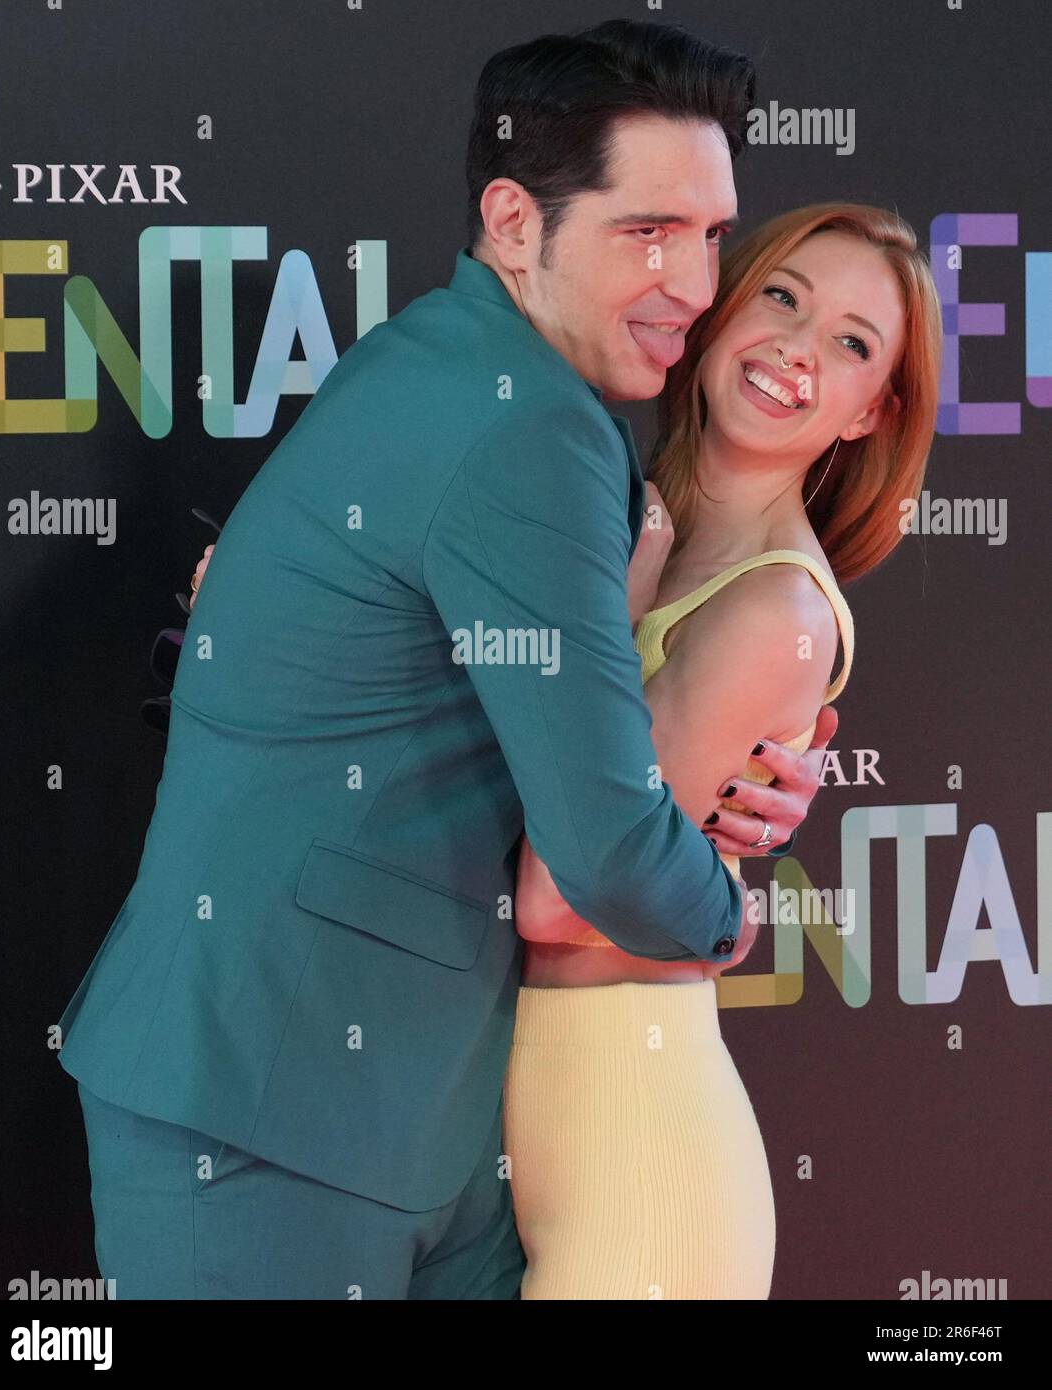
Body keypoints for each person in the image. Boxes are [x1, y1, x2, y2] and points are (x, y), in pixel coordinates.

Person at [56, 19, 831, 1299]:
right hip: (270, 1116)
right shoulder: (525, 425)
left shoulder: (459, 362)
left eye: (707, 234)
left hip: (397, 1116)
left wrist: (704, 775)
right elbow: (604, 846)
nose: (695, 284)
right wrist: (729, 901)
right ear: (515, 221)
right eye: (647, 231)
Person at [503, 203, 942, 1298]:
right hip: (511, 1132)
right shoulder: (621, 506)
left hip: (640, 1177)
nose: (797, 347)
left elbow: (564, 897)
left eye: (849, 343)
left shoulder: (771, 607)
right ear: (719, 307)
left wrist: (623, 599)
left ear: (866, 412)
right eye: (780, 299)